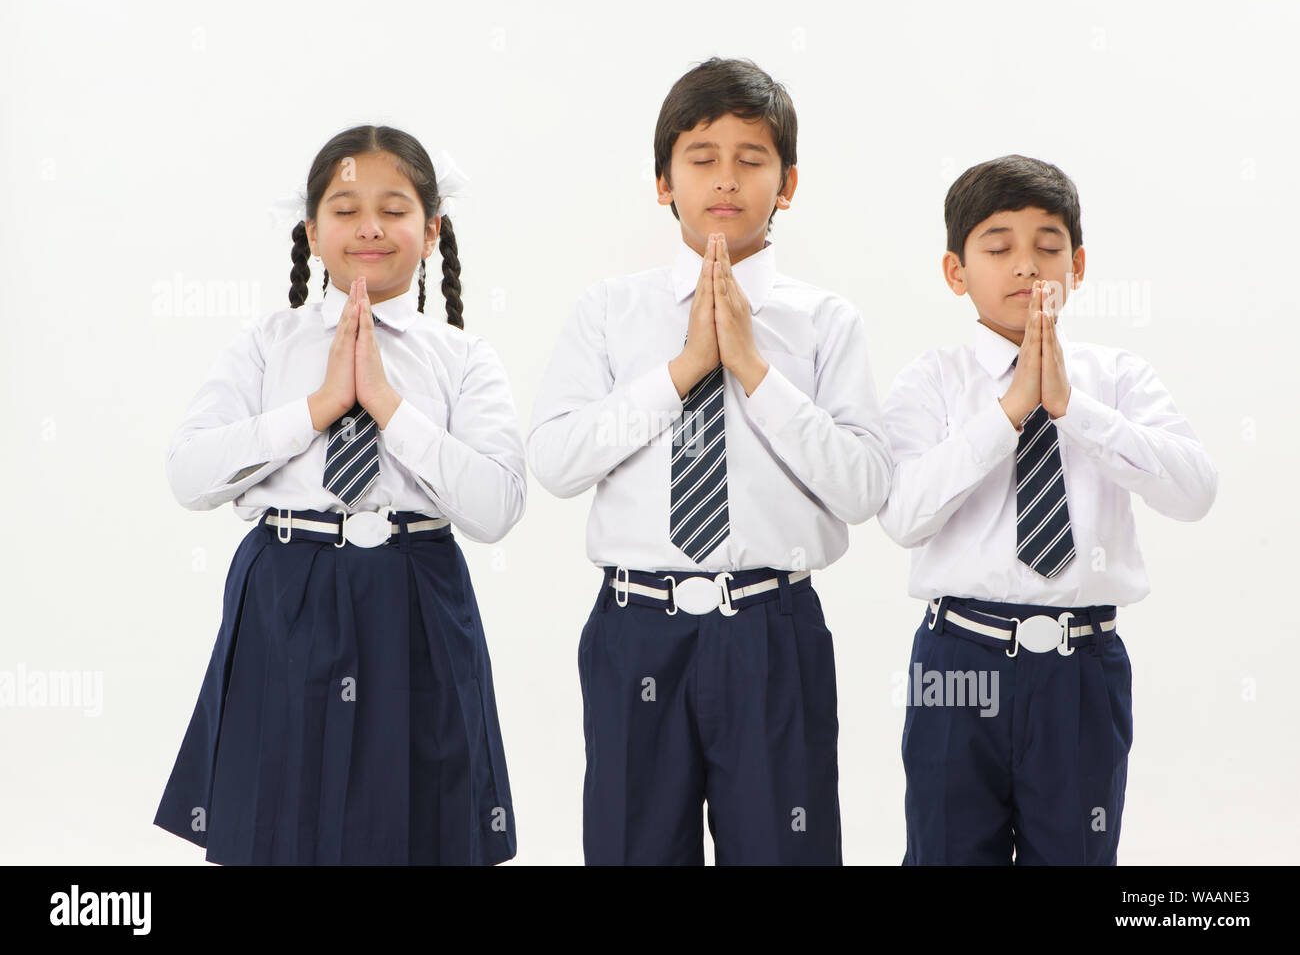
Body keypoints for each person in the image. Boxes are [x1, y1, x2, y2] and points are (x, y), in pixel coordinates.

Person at [527, 58, 893, 864]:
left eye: (751, 158)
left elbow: (866, 486)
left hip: (770, 628)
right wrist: (684, 368)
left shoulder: (826, 322)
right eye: (701, 157)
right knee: (634, 847)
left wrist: (754, 371)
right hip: (635, 628)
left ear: (787, 183)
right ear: (663, 180)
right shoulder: (608, 312)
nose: (725, 178)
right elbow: (553, 461)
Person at [153, 125, 523, 865]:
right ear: (312, 232)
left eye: (395, 207)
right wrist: (319, 406)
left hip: (415, 589)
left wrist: (387, 404)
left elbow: (497, 505)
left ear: (432, 228)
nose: (371, 228)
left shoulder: (462, 357)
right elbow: (189, 473)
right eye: (346, 208)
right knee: (279, 812)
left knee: (417, 816)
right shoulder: (266, 344)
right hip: (287, 587)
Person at [878, 154, 1218, 864]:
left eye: (1048, 245)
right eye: (998, 247)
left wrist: (1071, 407)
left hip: (1081, 667)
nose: (1026, 266)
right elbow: (903, 515)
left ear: (1080, 263)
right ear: (955, 271)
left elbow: (1195, 489)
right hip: (958, 659)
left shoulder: (1118, 378)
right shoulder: (933, 380)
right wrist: (1008, 412)